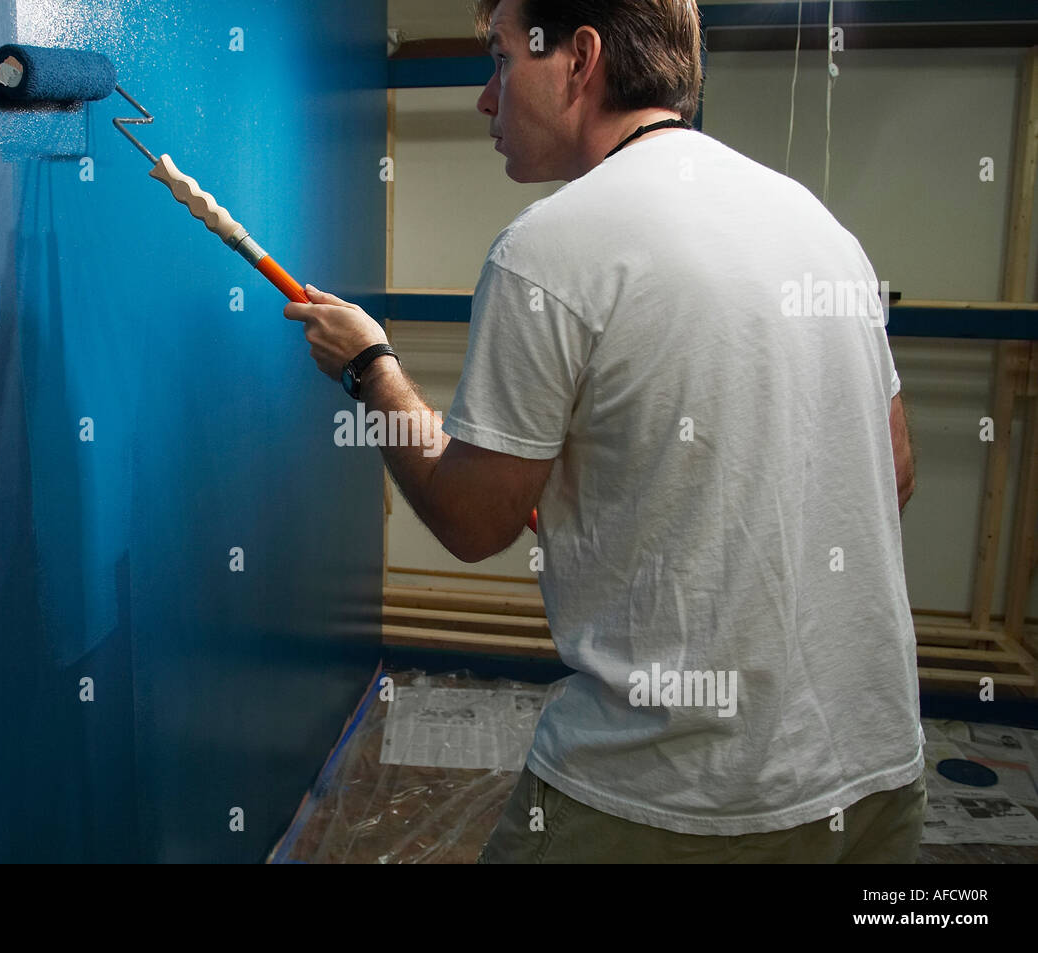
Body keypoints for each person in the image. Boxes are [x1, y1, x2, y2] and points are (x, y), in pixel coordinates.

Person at [283, 0, 925, 863]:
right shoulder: (818, 227)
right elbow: (893, 471)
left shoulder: (549, 249)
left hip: (665, 796)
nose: (486, 97)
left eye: (502, 60)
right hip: (876, 771)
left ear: (579, 58)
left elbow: (475, 522)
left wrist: (372, 368)